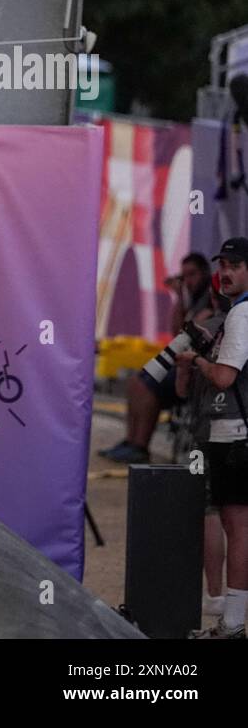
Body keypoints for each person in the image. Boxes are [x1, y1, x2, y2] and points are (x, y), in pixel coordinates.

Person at [176, 236, 248, 638]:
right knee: (236, 526)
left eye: (236, 265)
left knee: (237, 528)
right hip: (232, 435)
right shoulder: (236, 314)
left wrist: (199, 360)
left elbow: (223, 377)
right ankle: (230, 620)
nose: (226, 272)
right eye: (223, 265)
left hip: (235, 438)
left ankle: (233, 623)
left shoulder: (241, 315)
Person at [101, 252, 215, 464]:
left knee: (147, 387)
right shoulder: (193, 300)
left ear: (205, 273)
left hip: (195, 371)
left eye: (192, 275)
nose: (188, 281)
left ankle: (140, 446)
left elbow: (188, 334)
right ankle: (131, 440)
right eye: (184, 276)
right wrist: (180, 297)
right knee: (136, 381)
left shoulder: (211, 298)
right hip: (183, 365)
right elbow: (175, 332)